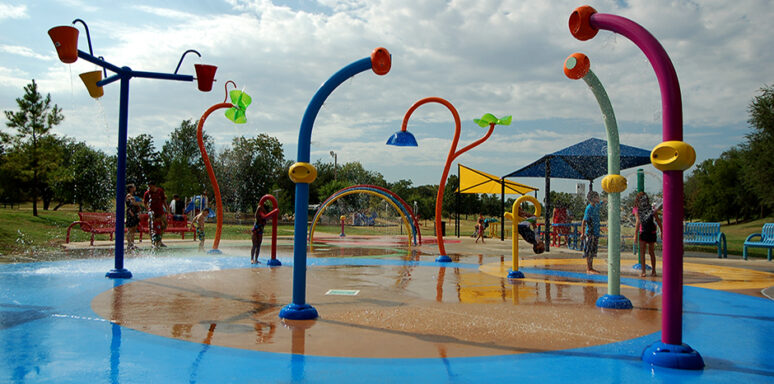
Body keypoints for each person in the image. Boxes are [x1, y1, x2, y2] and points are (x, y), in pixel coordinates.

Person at [634, 192, 663, 277]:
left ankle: (643, 271)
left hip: (644, 232)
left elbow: (638, 221)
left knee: (642, 252)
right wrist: (662, 231)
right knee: (651, 252)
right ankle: (653, 271)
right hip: (651, 231)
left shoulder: (637, 209)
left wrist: (635, 234)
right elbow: (657, 220)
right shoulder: (652, 208)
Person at [580, 191, 604, 274]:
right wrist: (582, 233)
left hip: (596, 232)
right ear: (592, 199)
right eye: (597, 197)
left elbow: (602, 202)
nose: (598, 198)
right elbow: (584, 221)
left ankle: (591, 267)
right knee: (589, 250)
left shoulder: (596, 205)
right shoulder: (589, 208)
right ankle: (588, 268)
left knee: (593, 251)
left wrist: (606, 200)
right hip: (590, 232)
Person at [143, 181, 170, 249]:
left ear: (154, 186)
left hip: (160, 212)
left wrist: (167, 209)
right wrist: (148, 210)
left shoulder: (160, 191)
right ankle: (153, 242)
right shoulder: (147, 193)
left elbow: (164, 200)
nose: (149, 188)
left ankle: (159, 240)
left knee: (164, 224)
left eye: (150, 186)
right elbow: (145, 203)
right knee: (152, 226)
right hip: (152, 213)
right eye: (149, 187)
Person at [125, 183, 143, 250]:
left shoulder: (132, 196)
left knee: (134, 228)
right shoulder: (129, 195)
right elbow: (133, 203)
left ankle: (132, 243)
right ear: (131, 188)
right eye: (133, 187)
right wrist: (140, 202)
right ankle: (129, 244)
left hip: (134, 212)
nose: (135, 188)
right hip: (131, 213)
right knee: (130, 229)